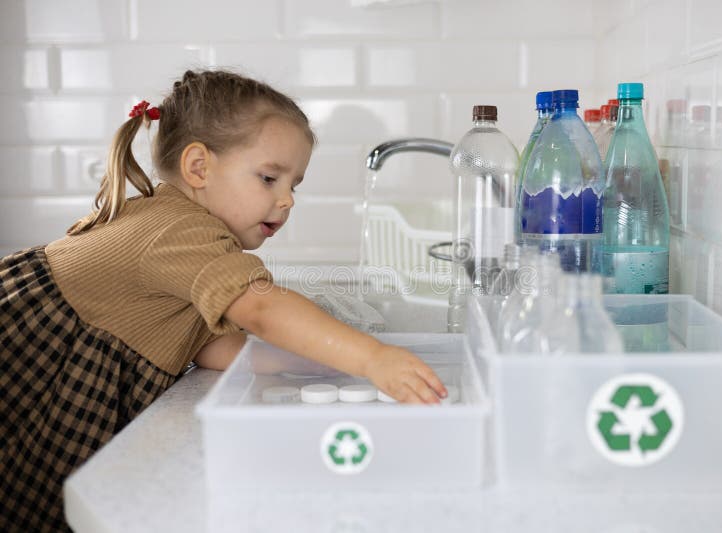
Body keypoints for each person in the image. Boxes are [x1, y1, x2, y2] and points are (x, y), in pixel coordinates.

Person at [0, 69, 447, 533]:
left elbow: (212, 347)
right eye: (270, 178)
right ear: (199, 167)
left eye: (293, 185)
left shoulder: (181, 235)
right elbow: (262, 308)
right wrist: (372, 358)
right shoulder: (181, 230)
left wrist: (329, 361)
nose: (287, 200)